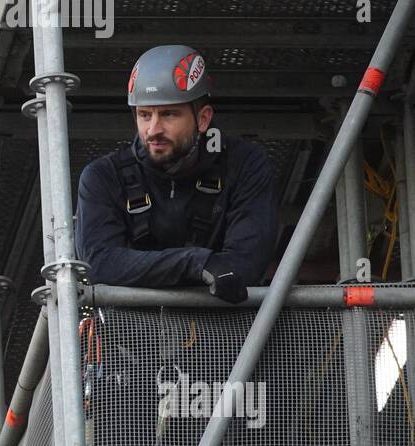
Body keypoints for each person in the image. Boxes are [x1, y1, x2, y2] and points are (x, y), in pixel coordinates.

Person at [75, 44, 277, 302]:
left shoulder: (245, 165)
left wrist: (147, 268)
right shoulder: (103, 177)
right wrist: (198, 264)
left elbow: (243, 267)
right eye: (144, 115)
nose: (153, 129)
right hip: (130, 337)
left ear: (203, 119)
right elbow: (100, 265)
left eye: (169, 114)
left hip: (226, 335)